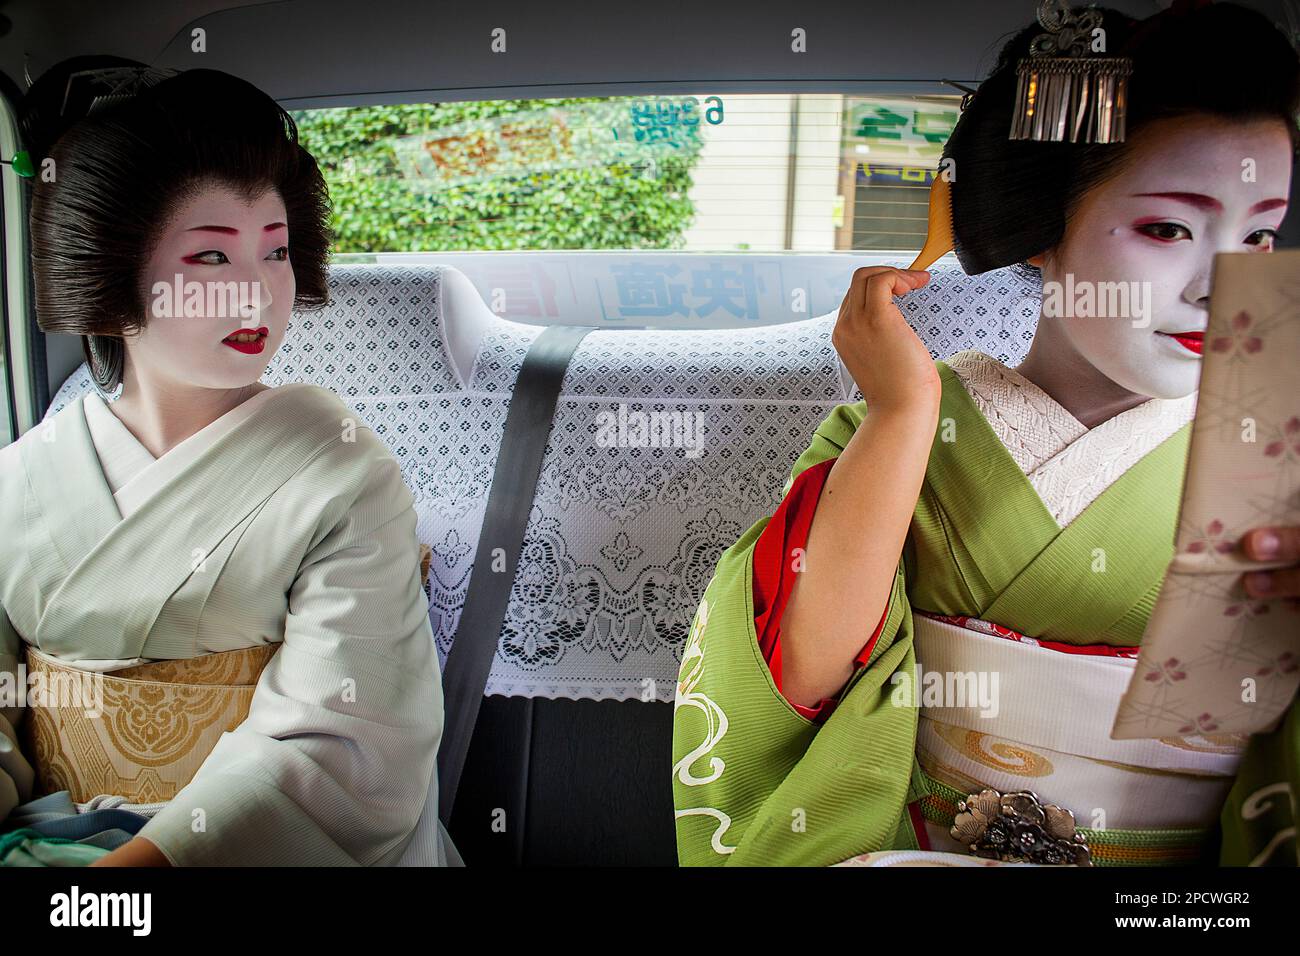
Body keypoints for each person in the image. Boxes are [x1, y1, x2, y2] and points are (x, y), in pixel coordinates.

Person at [671, 1, 1299, 866]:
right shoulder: (889, 425)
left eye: (1261, 233)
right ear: (1041, 228)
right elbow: (801, 678)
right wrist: (901, 416)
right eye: (1168, 228)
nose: (1221, 284)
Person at [0, 67, 460, 866]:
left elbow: (344, 742)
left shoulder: (345, 475)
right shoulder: (19, 480)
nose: (257, 293)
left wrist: (134, 872)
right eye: (212, 258)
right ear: (113, 275)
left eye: (275, 252)